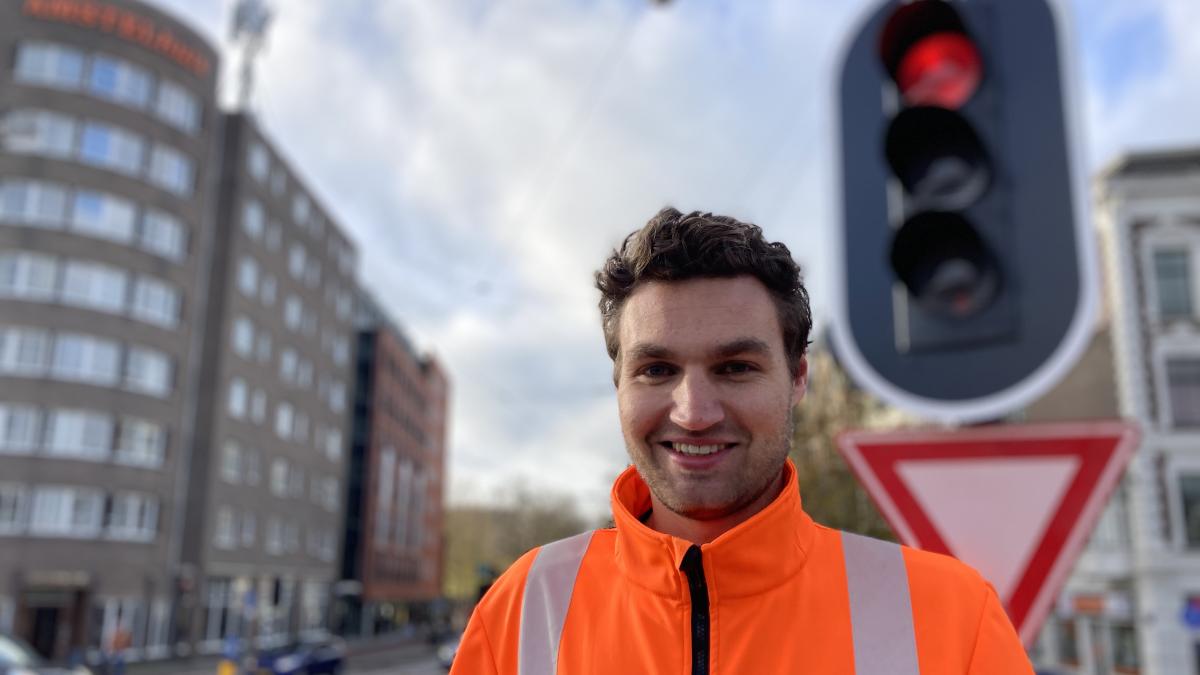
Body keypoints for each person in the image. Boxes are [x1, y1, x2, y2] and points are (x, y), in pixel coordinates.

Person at [450, 208, 1033, 674]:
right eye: (656, 370)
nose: (694, 413)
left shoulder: (952, 617)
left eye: (734, 367)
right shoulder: (524, 609)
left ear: (798, 377)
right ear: (618, 384)